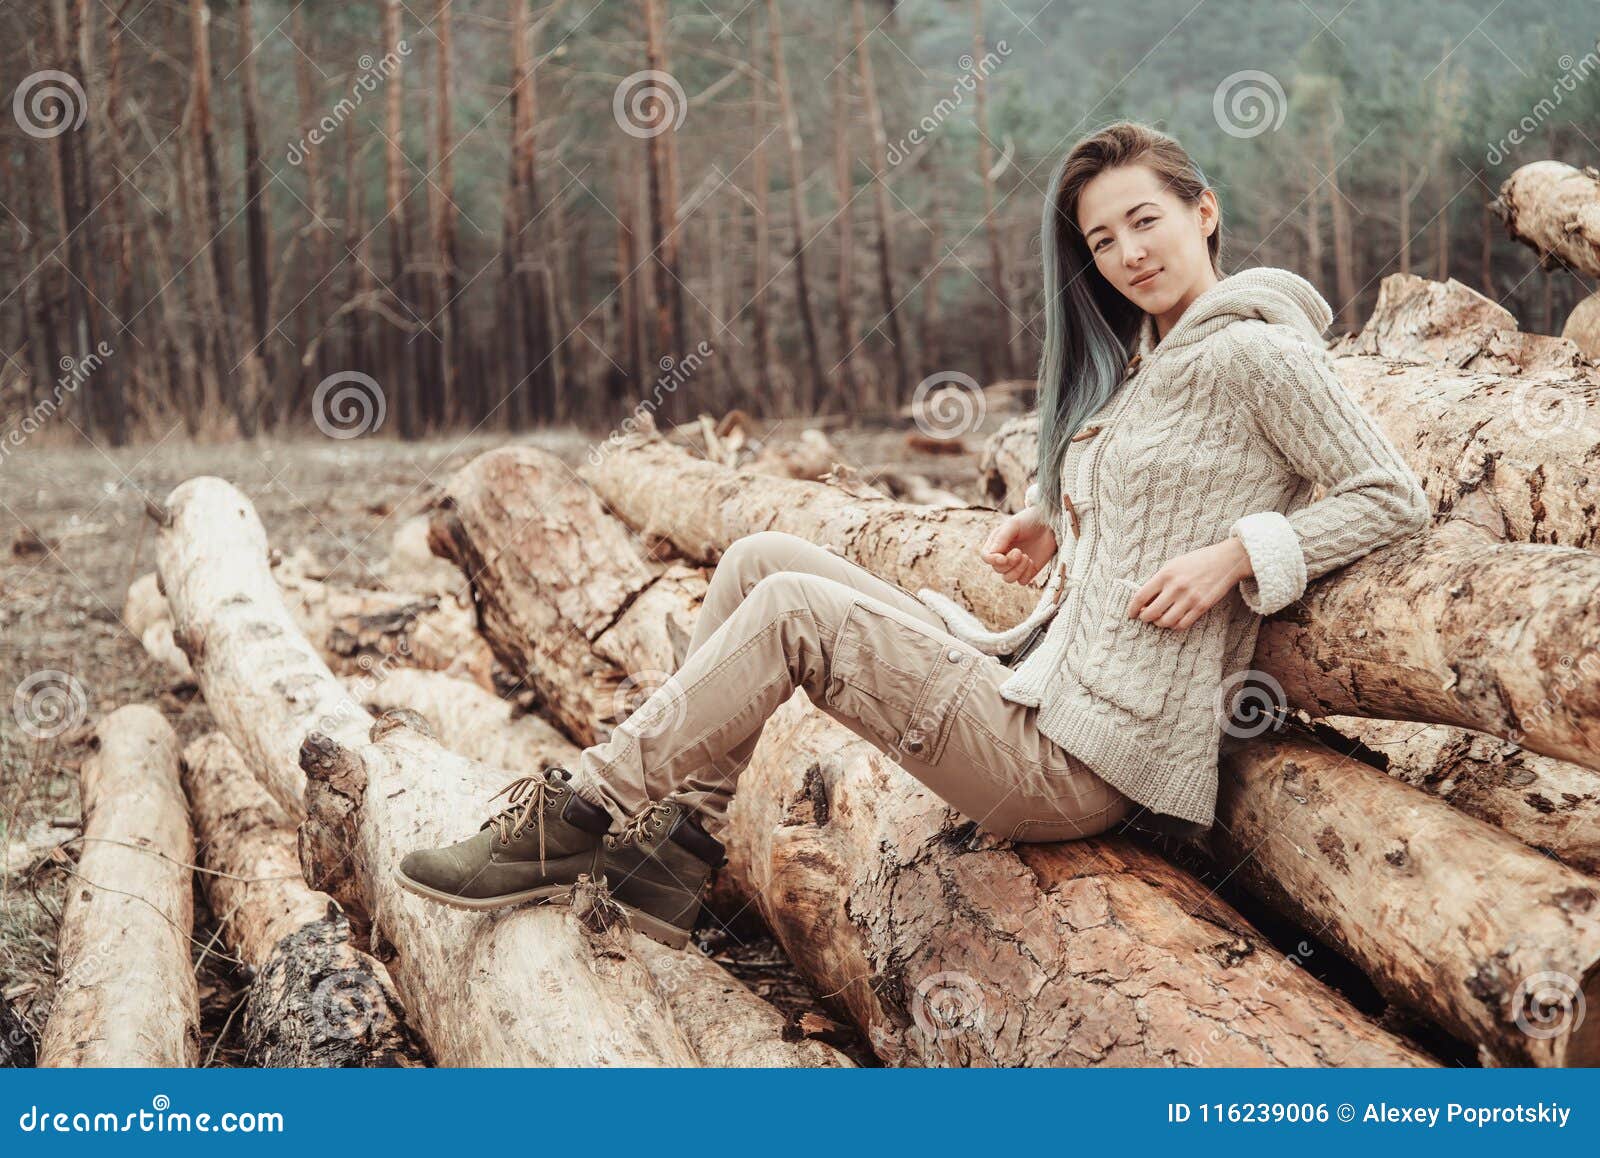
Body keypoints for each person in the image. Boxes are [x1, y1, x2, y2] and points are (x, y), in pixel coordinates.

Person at [395, 119, 1430, 950]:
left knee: (798, 613)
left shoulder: (1259, 356)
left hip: (1077, 762)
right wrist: (1054, 516)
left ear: (1205, 212)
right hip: (1035, 681)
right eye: (1101, 241)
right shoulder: (1148, 363)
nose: (1125, 254)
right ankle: (679, 849)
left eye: (1144, 220)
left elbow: (1388, 492)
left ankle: (575, 812)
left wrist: (1239, 556)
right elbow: (1153, 490)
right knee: (761, 559)